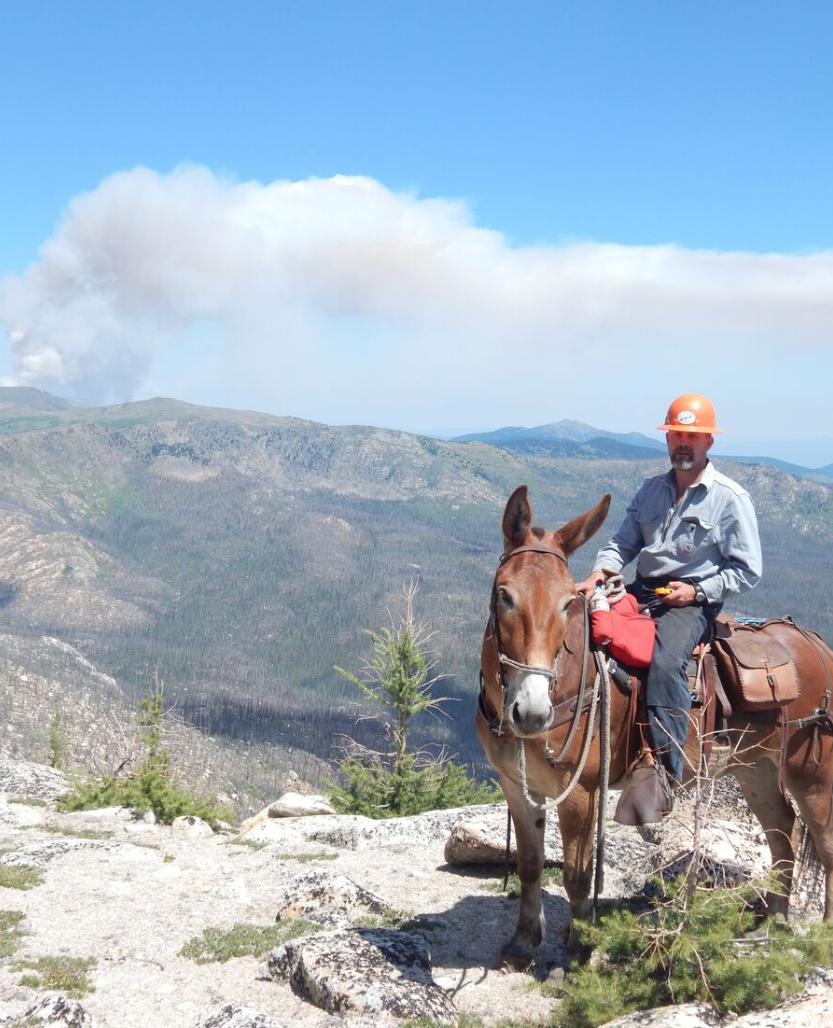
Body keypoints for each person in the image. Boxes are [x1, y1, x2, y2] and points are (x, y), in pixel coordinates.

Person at [576, 393, 762, 823]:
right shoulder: (651, 490)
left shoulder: (729, 498)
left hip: (692, 600)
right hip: (644, 588)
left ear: (708, 442)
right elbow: (622, 543)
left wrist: (696, 593)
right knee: (585, 629)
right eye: (676, 433)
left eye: (692, 435)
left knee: (663, 663)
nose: (683, 442)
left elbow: (747, 570)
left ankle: (664, 771)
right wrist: (598, 575)